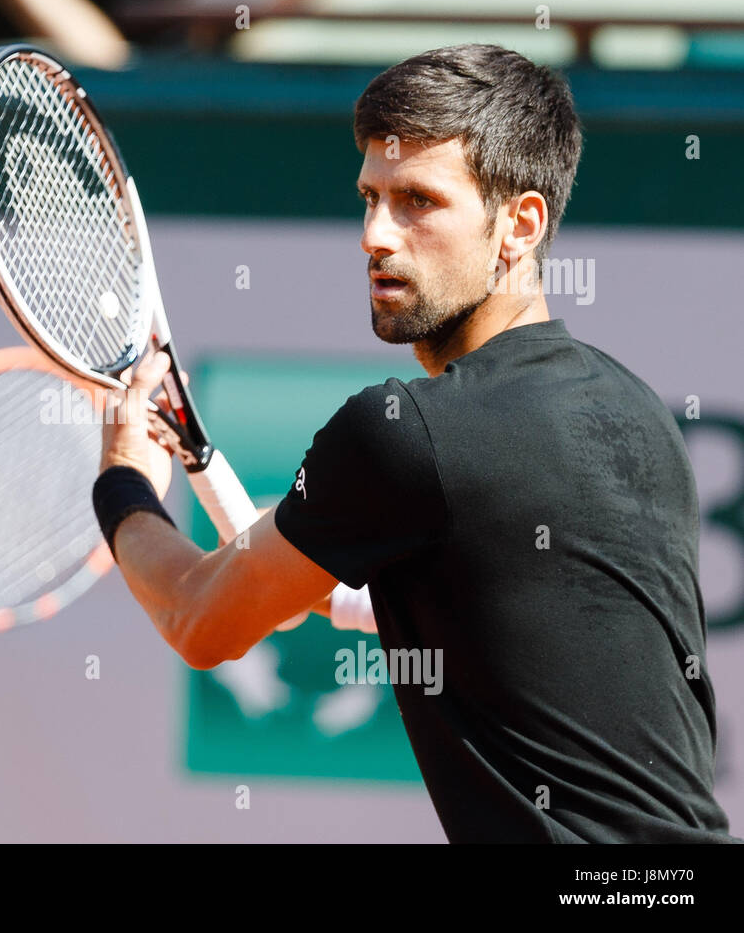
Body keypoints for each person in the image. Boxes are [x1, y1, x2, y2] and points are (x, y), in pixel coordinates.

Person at [93, 44, 738, 844]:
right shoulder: (638, 415)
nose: (374, 235)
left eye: (417, 202)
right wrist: (295, 563)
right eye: (369, 198)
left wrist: (122, 484)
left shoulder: (403, 437)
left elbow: (200, 621)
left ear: (520, 224)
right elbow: (482, 612)